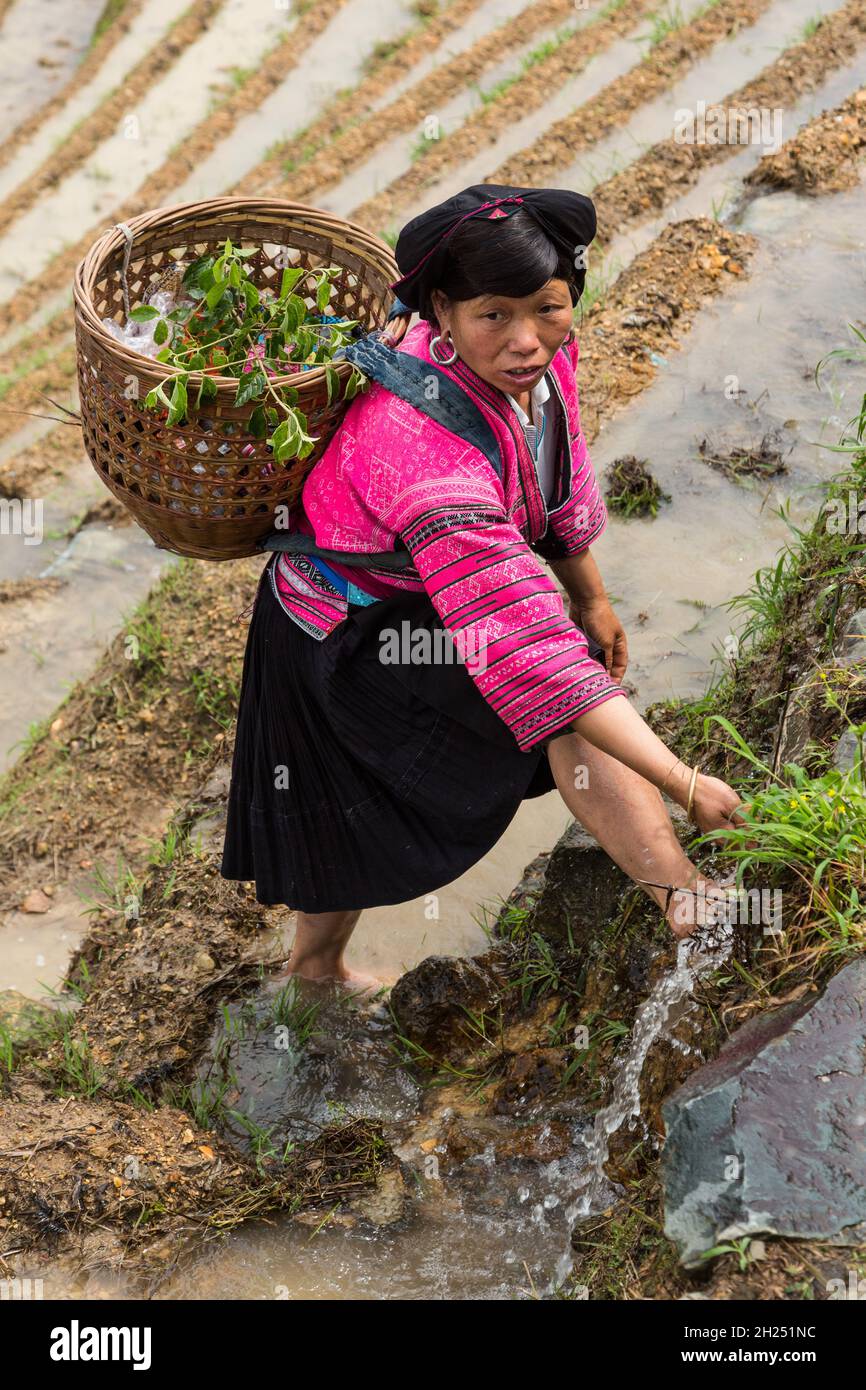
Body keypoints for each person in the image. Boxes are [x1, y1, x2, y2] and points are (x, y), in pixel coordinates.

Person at [220, 183, 743, 992]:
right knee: (348, 813)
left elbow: (557, 482)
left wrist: (592, 598)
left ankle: (684, 898)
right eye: (493, 314)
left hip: (435, 592)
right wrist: (686, 780)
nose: (526, 341)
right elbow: (532, 656)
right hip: (343, 629)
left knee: (567, 711)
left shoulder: (540, 363)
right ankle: (316, 972)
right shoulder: (421, 455)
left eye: (548, 308)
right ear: (443, 314)